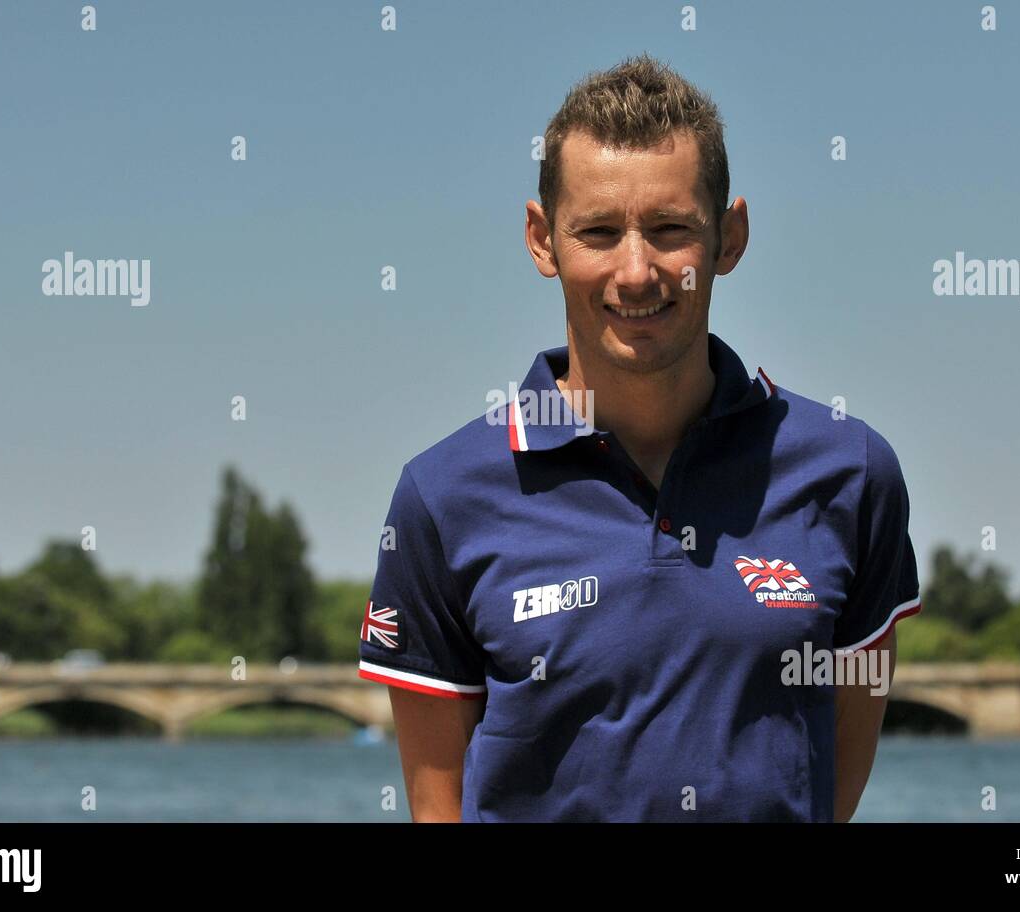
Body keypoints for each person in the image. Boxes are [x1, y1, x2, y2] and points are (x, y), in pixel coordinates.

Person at [357, 53, 922, 822]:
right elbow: (439, 809)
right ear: (542, 239)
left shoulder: (851, 475)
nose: (635, 272)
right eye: (597, 231)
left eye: (669, 230)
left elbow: (830, 792)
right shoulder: (443, 496)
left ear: (729, 237)